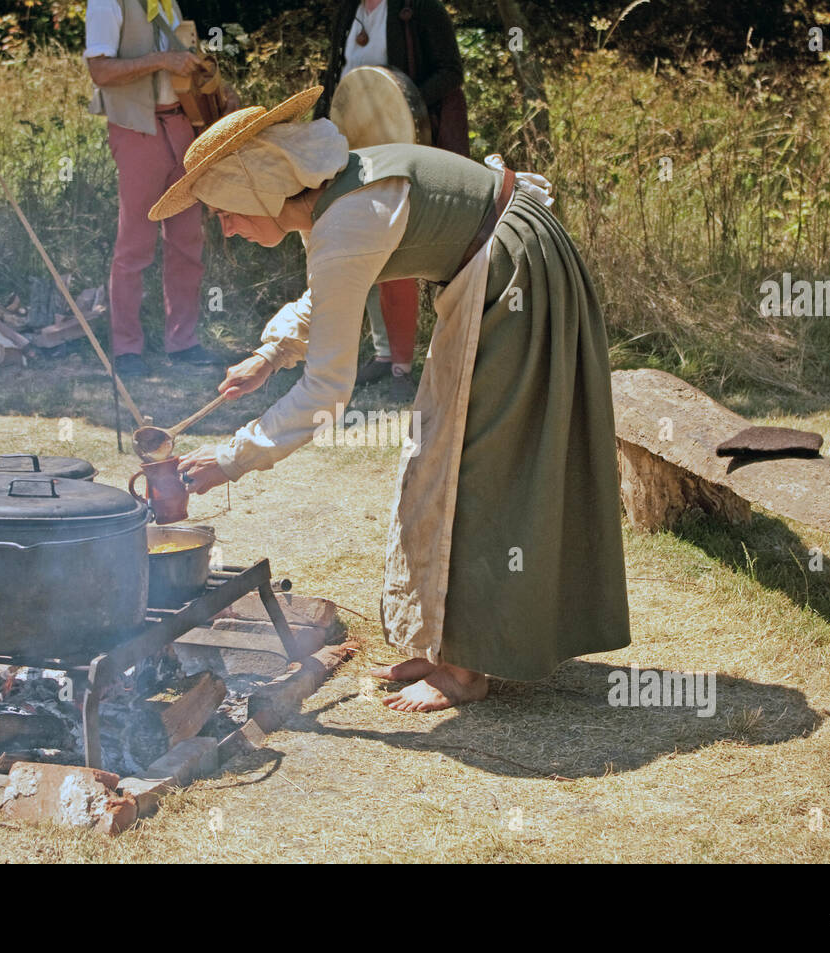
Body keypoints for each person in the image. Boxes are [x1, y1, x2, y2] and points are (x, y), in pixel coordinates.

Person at [153, 88, 630, 712]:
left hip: (516, 278)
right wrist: (271, 356)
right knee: (439, 455)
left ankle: (465, 667)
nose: (227, 226)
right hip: (490, 270)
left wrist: (232, 458)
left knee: (473, 462)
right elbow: (333, 290)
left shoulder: (347, 217)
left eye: (226, 210)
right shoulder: (333, 204)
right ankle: (440, 642)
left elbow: (328, 389)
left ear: (259, 186)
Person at [315, 0, 470, 399]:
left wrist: (400, 101)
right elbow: (336, 76)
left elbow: (452, 73)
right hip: (353, 148)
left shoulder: (419, 8)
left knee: (397, 250)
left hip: (408, 147)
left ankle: (406, 366)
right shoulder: (348, 10)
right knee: (359, 247)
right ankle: (384, 355)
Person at [85, 0, 235, 373]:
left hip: (181, 124)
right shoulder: (106, 3)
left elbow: (180, 62)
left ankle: (183, 343)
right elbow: (99, 71)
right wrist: (160, 60)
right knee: (134, 245)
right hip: (137, 129)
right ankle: (127, 350)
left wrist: (217, 89)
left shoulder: (167, 1)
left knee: (187, 241)